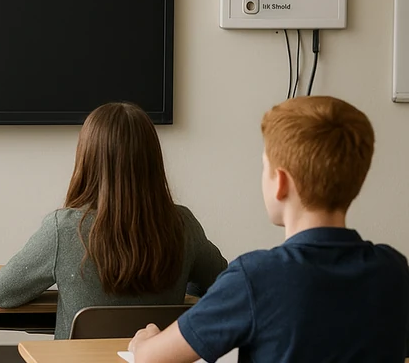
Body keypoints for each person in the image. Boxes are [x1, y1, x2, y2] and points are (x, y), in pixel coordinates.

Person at [129, 96, 409, 362]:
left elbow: (150, 358)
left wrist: (146, 338)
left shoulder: (255, 278)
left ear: (281, 183)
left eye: (265, 167)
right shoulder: (393, 270)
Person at [0, 102, 226, 338]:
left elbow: (2, 294)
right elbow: (224, 285)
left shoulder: (64, 228)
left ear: (87, 159)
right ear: (153, 160)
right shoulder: (183, 225)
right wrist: (183, 289)